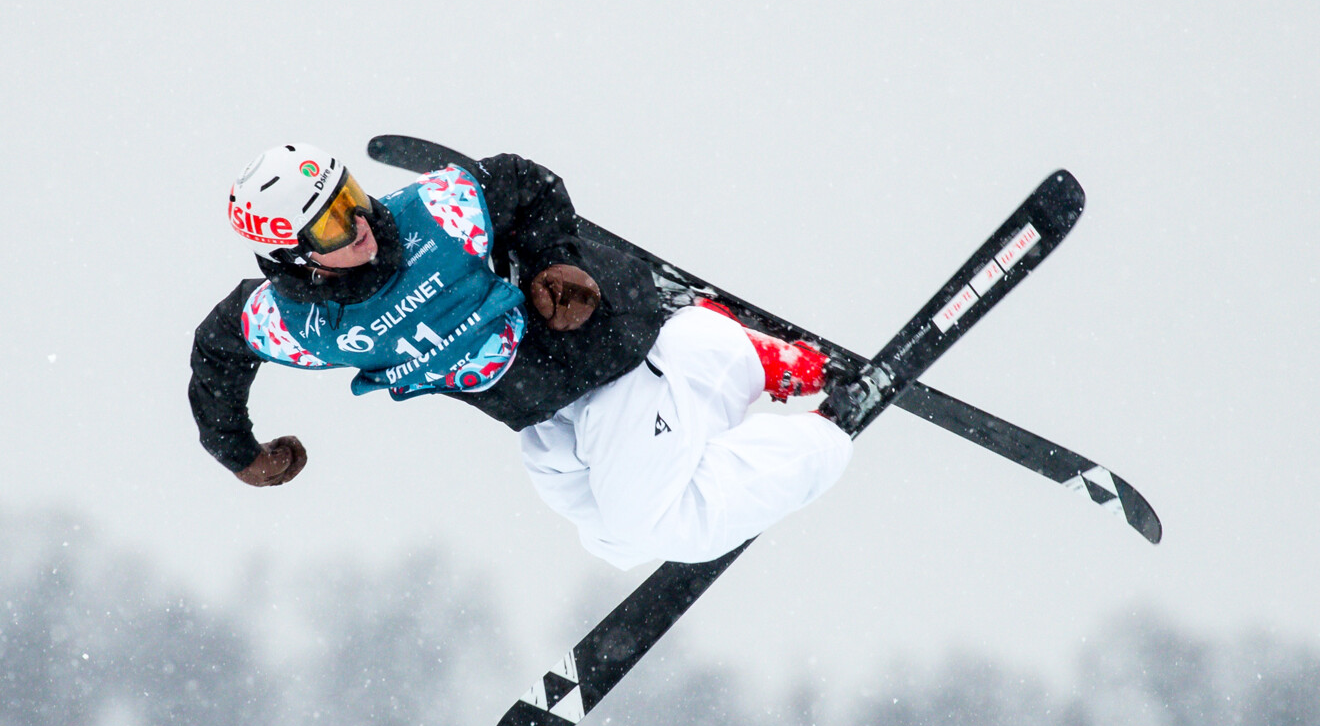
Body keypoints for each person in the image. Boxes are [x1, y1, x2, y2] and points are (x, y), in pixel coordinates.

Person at [189, 144, 853, 567]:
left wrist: (552, 263)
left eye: (351, 197)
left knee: (661, 528)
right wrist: (238, 451)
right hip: (547, 417)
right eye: (333, 222)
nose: (362, 223)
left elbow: (522, 182)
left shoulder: (435, 214)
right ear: (289, 255)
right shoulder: (303, 323)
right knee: (610, 541)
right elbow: (216, 348)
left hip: (617, 357)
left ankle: (811, 431)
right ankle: (718, 384)